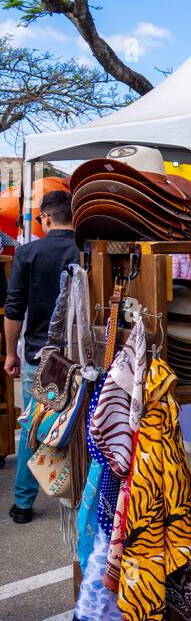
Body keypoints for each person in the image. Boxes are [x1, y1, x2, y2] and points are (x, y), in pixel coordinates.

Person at [4, 190, 79, 523]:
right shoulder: (87, 251)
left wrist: (10, 353)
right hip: (81, 356)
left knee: (34, 428)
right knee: (83, 425)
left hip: (41, 356)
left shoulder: (28, 253)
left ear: (45, 218)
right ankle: (80, 495)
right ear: (73, 215)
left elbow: (14, 309)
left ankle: (22, 504)